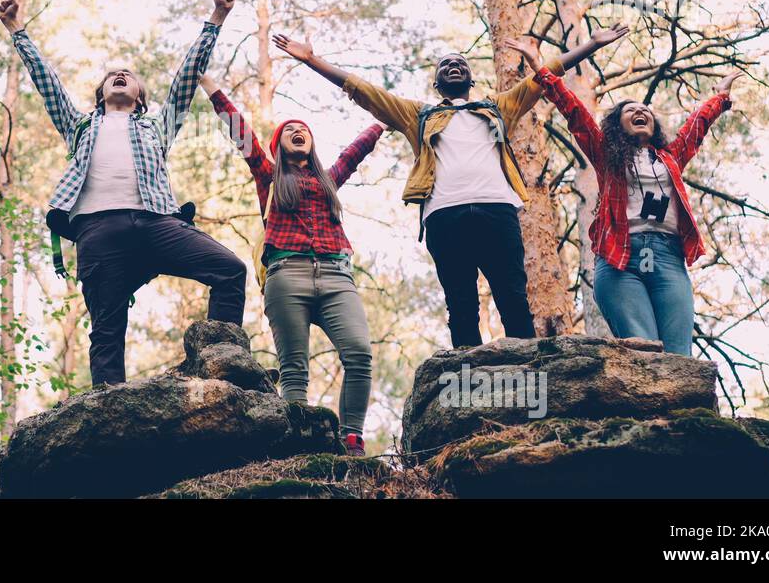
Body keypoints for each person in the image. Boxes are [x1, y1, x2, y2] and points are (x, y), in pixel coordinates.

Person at [275, 25, 629, 347]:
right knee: (461, 303)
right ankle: (469, 378)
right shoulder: (419, 115)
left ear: (471, 79)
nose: (454, 66)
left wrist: (591, 45)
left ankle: (527, 371)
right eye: (446, 65)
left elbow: (545, 74)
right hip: (444, 216)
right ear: (437, 83)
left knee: (513, 297)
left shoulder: (498, 107)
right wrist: (312, 60)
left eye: (460, 63)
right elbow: (364, 91)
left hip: (497, 211)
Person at [0, 0, 247, 386]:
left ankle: (222, 367)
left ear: (140, 96)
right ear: (100, 93)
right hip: (98, 232)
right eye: (112, 75)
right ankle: (109, 410)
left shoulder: (156, 126)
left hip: (156, 224)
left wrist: (216, 17)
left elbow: (186, 78)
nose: (119, 75)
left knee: (229, 269)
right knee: (106, 329)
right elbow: (47, 83)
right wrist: (16, 29)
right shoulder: (80, 125)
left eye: (128, 75)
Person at [505, 34, 741, 356]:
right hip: (620, 259)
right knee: (645, 351)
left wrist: (721, 97)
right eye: (630, 110)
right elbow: (573, 109)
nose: (640, 111)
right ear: (618, 125)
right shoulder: (606, 155)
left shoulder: (671, 157)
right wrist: (537, 64)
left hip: (668, 257)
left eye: (645, 109)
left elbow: (696, 126)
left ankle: (684, 409)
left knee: (679, 356)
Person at [198, 73, 383, 456]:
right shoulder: (268, 175)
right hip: (287, 275)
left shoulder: (329, 180)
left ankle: (351, 439)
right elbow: (241, 134)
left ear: (311, 143)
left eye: (304, 129)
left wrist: (381, 122)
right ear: (279, 145)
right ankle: (302, 447)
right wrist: (212, 87)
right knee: (294, 367)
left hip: (336, 276)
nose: (298, 131)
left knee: (359, 353)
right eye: (289, 129)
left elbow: (354, 153)